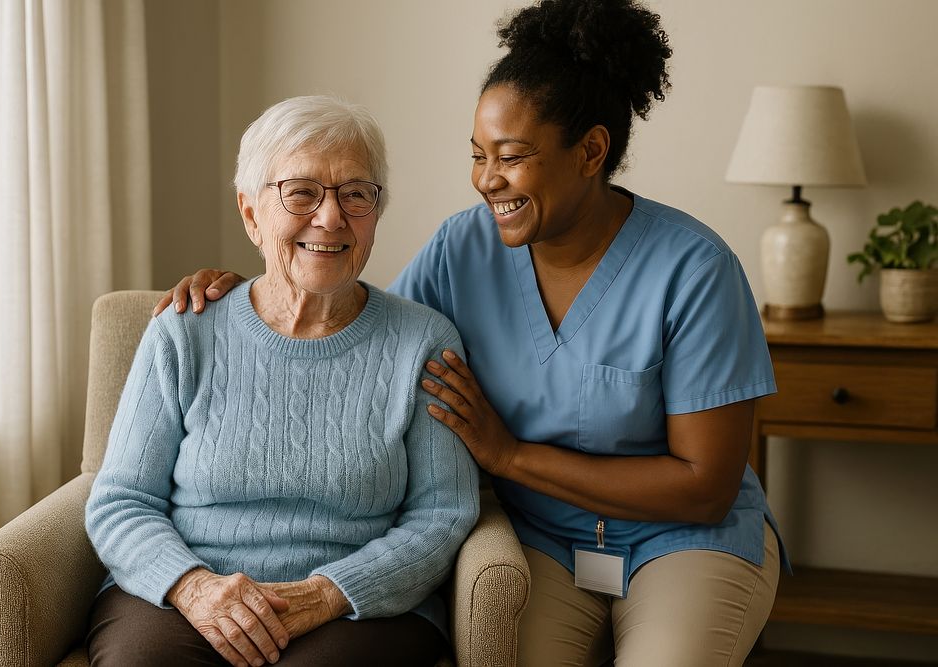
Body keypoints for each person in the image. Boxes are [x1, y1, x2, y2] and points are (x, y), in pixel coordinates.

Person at [157, 1, 788, 664]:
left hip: (683, 541)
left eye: (511, 156)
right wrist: (258, 281)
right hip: (541, 541)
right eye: (477, 155)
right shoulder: (464, 248)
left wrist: (511, 457)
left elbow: (704, 485)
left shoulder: (695, 270)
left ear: (592, 151)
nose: (488, 180)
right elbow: (362, 334)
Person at [85, 95, 480, 667]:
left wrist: (327, 593)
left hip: (351, 604)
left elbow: (442, 515)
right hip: (183, 592)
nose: (330, 217)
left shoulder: (423, 342)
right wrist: (194, 587)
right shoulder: (185, 331)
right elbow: (121, 499)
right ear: (251, 213)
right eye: (300, 192)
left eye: (355, 194)